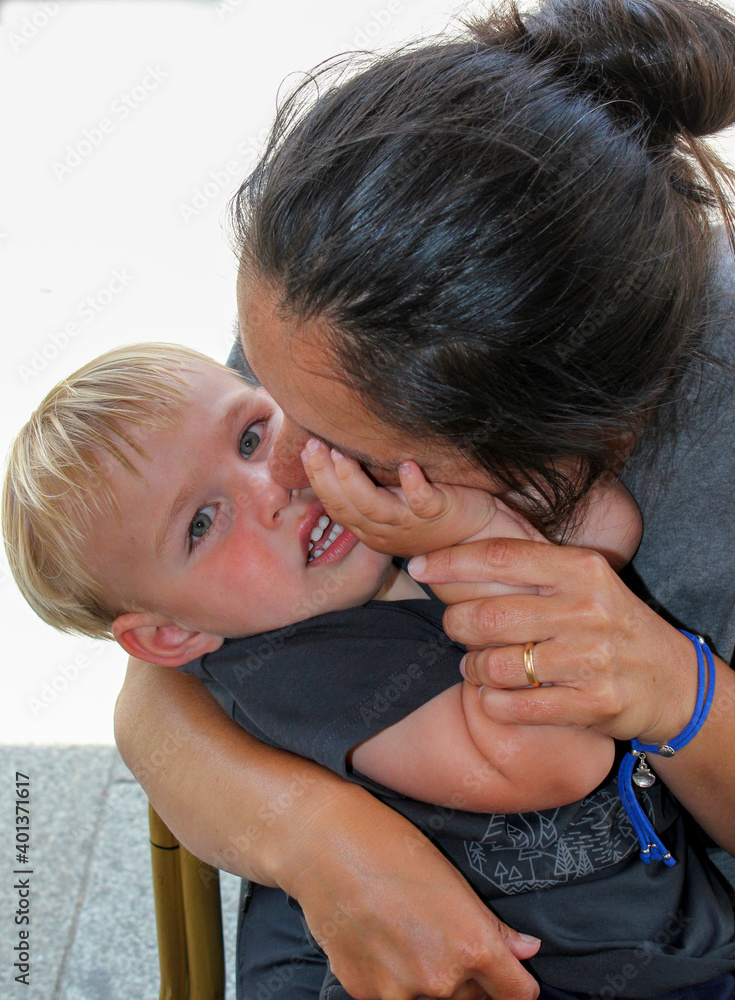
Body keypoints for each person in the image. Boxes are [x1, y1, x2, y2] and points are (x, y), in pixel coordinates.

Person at [114, 0, 735, 996]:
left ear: (569, 439)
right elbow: (161, 685)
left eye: (355, 454)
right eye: (266, 407)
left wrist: (678, 693)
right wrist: (323, 841)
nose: (284, 473)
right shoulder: (341, 302)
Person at [3, 343, 644, 998]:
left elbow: (608, 527)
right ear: (173, 634)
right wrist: (465, 537)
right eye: (201, 523)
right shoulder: (302, 675)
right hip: (539, 968)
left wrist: (442, 476)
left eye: (251, 437)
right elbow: (560, 756)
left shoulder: (368, 538)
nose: (272, 487)